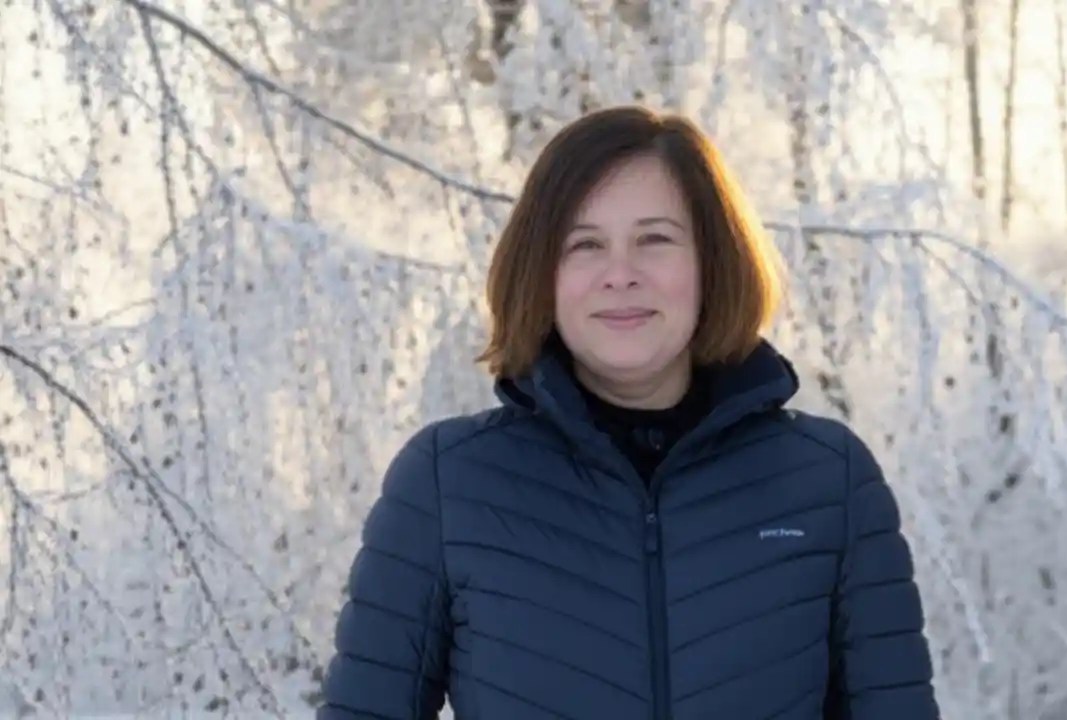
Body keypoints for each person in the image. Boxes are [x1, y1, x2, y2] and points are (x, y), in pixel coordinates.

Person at [318, 106, 939, 719]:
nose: (621, 274)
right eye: (584, 245)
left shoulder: (829, 481)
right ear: (541, 274)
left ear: (712, 263)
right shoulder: (447, 484)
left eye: (655, 240)